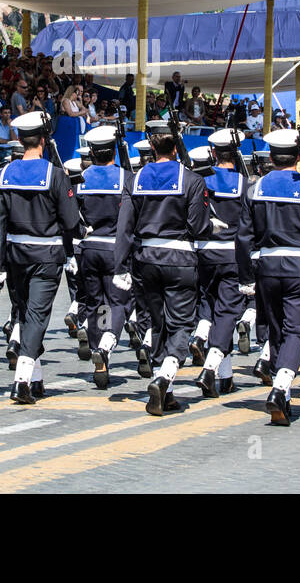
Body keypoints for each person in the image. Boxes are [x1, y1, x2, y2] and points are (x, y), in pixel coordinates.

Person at [236, 129, 300, 425]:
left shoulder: (255, 188)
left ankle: (284, 393)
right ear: (297, 157)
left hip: (267, 266)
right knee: (295, 330)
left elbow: (243, 237)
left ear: (272, 157)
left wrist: (246, 276)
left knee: (277, 329)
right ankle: (281, 388)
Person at [116, 120, 210, 416]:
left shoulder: (136, 179)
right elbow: (197, 226)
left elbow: (125, 227)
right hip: (180, 259)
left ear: (151, 145)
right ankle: (165, 376)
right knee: (181, 323)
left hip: (145, 260)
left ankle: (165, 393)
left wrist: (120, 267)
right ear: (176, 143)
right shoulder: (192, 180)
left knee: (158, 324)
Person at [0, 111, 81, 404]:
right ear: (43, 141)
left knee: (26, 313)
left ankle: (36, 378)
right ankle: (22, 380)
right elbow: (71, 223)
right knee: (37, 316)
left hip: (15, 254)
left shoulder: (4, 173)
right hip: (46, 254)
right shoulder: (56, 175)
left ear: (19, 139)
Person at [73, 124, 134, 388]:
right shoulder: (125, 177)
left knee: (98, 303)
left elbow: (72, 215)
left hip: (89, 248)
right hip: (114, 248)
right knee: (118, 302)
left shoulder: (81, 177)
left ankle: (99, 349)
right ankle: (106, 347)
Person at [190, 128, 249, 397]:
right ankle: (211, 367)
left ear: (213, 153)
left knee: (209, 304)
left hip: (204, 253)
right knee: (226, 313)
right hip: (231, 254)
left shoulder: (199, 180)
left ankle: (226, 376)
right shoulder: (244, 183)